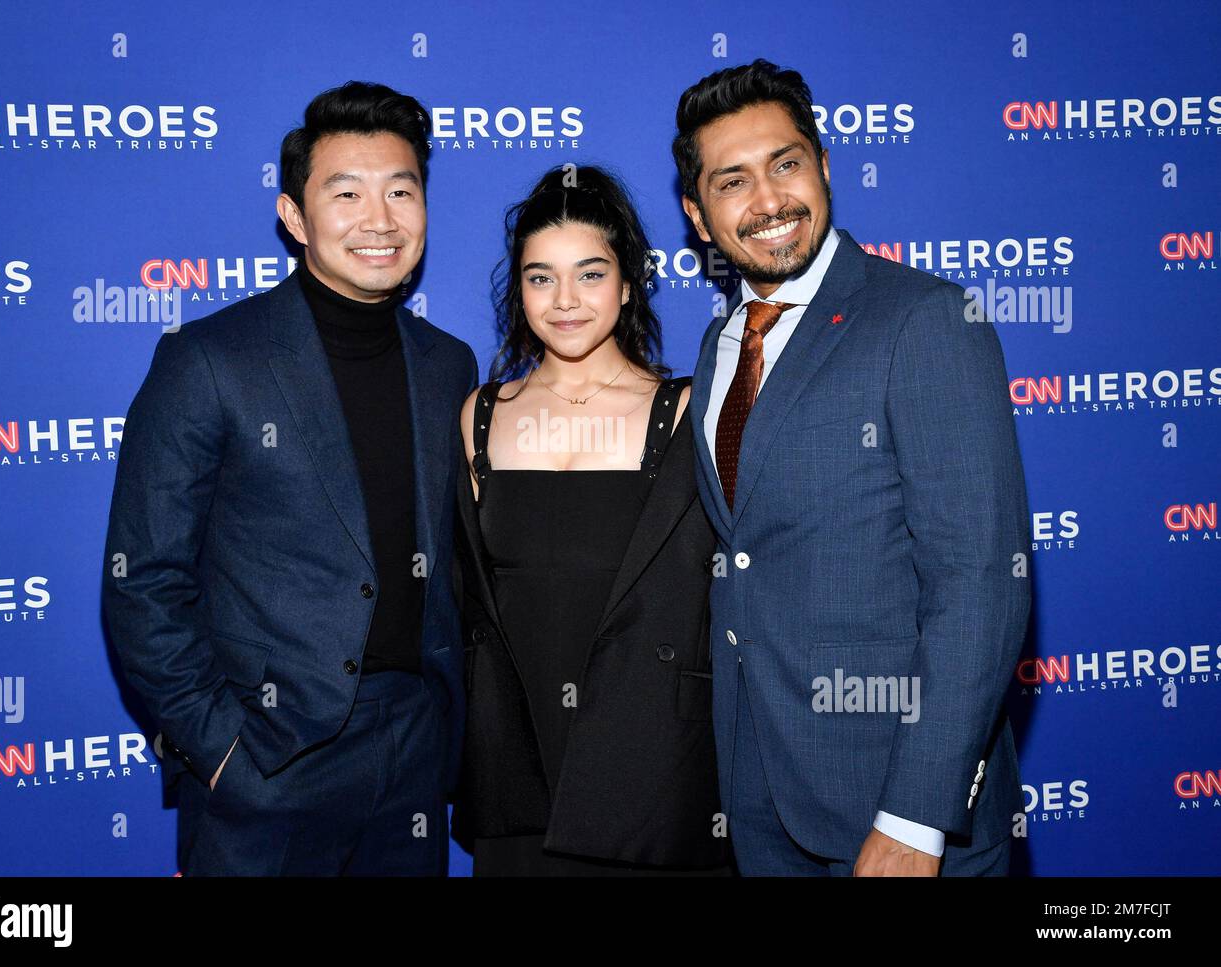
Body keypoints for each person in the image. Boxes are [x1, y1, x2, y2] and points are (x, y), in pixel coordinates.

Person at [102, 81, 478, 875]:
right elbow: (143, 580)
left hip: (413, 752)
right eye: (347, 193)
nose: (380, 219)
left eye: (401, 191)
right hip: (267, 756)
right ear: (295, 216)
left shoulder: (448, 365)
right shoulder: (209, 360)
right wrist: (221, 751)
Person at [672, 60, 1031, 876]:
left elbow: (979, 580)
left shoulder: (925, 320)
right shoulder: (721, 346)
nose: (768, 201)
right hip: (763, 801)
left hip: (898, 811)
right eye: (733, 181)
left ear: (826, 167)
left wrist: (917, 818)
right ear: (698, 215)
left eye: (787, 163)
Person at [451, 164, 731, 875]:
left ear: (629, 282)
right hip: (516, 774)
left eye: (590, 273)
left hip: (653, 779)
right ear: (518, 289)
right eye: (541, 277)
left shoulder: (690, 410)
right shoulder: (481, 414)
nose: (565, 299)